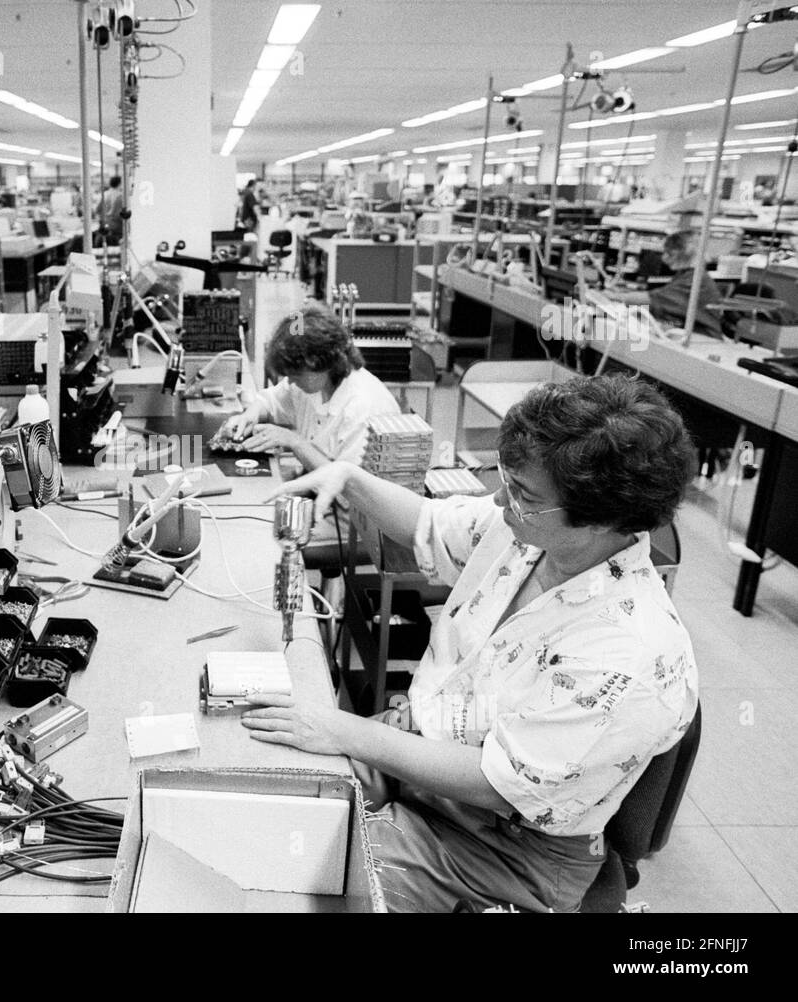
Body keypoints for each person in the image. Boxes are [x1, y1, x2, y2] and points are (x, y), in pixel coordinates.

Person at [243, 375, 699, 912]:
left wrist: (343, 729)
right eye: (508, 481)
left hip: (500, 841)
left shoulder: (628, 654)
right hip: (423, 746)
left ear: (603, 519)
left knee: (300, 882)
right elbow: (428, 521)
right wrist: (346, 476)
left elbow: (496, 782)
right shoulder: (530, 534)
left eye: (523, 494)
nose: (501, 500)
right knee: (270, 804)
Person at [220, 304, 398, 475]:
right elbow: (270, 401)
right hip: (316, 486)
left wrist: (294, 441)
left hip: (345, 495)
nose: (290, 382)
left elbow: (349, 484)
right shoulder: (312, 381)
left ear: (320, 363)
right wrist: (249, 416)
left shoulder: (364, 407)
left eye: (295, 375)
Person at [608, 229, 725, 338]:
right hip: (690, 333)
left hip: (702, 338)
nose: (664, 258)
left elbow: (653, 298)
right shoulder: (688, 275)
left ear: (681, 253)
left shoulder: (694, 280)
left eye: (669, 253)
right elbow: (668, 307)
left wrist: (613, 296)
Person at [98, 177, 124, 245]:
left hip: (105, 226)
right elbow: (119, 215)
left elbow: (97, 209)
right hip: (117, 228)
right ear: (119, 184)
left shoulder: (104, 194)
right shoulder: (120, 196)